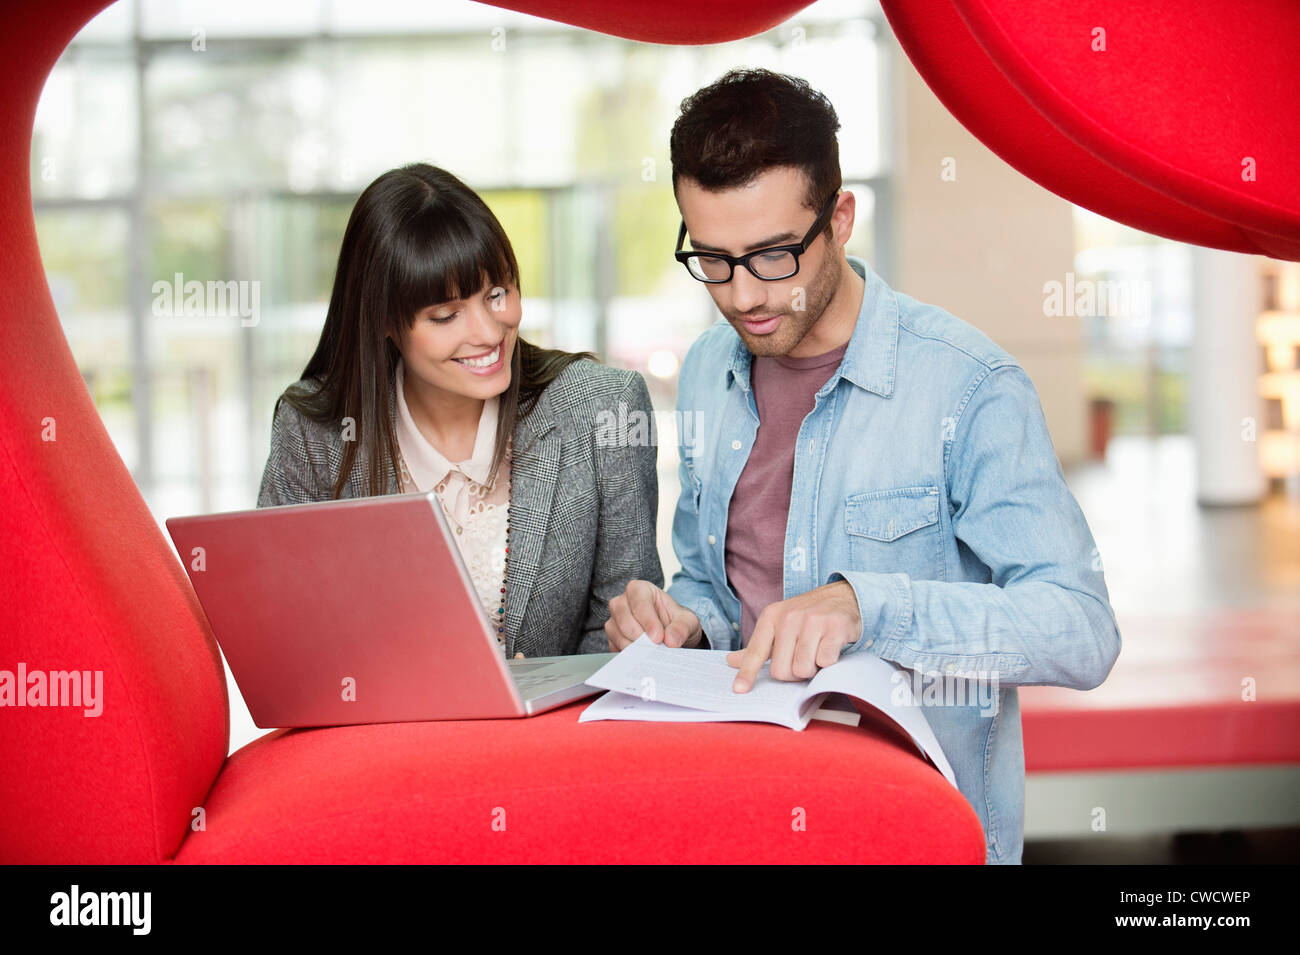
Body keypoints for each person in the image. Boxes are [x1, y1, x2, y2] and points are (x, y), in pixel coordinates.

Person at [604, 69, 1121, 864]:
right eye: (712, 258)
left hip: (917, 835)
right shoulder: (710, 370)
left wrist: (866, 606)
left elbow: (1081, 631)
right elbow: (716, 580)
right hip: (748, 814)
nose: (742, 295)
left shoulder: (968, 385)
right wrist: (685, 621)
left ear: (840, 219)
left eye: (773, 255)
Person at [257, 163, 662, 659]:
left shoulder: (603, 408)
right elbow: (285, 634)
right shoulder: (313, 432)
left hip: (555, 731)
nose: (490, 333)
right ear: (384, 320)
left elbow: (625, 631)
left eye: (498, 294)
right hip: (381, 732)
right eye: (446, 315)